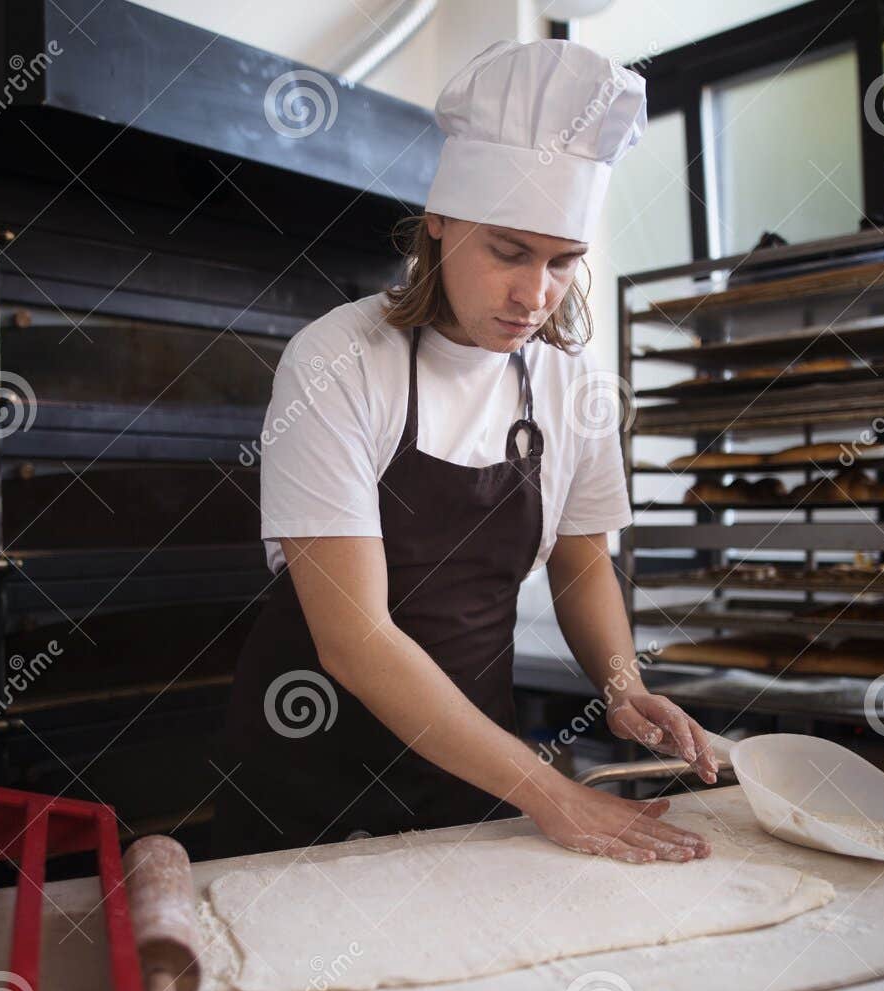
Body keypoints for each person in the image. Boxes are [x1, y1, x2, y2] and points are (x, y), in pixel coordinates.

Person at [214, 39, 720, 863]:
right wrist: (553, 792)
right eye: (509, 252)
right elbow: (355, 640)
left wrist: (623, 688)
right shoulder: (339, 359)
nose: (535, 294)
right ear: (440, 223)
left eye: (563, 263)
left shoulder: (569, 380)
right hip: (309, 768)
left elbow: (582, 558)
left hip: (477, 768)